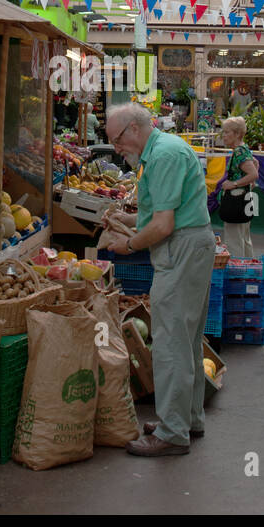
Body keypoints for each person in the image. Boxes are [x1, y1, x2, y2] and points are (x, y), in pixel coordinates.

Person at [103, 102, 215, 457]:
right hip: (190, 247)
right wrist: (125, 216)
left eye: (117, 140)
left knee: (169, 342)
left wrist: (127, 244)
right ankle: (186, 419)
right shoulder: (163, 151)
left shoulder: (163, 156)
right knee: (187, 339)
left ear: (134, 130)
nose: (116, 148)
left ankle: (172, 432)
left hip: (181, 251)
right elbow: (162, 214)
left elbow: (164, 226)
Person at [217, 116, 259, 258]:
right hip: (244, 201)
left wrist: (233, 184)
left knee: (234, 241)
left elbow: (253, 174)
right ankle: (248, 268)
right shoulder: (243, 149)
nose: (224, 136)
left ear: (237, 134)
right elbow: (254, 164)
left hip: (236, 202)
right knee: (244, 238)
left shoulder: (239, 151)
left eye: (227, 132)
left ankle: (237, 271)